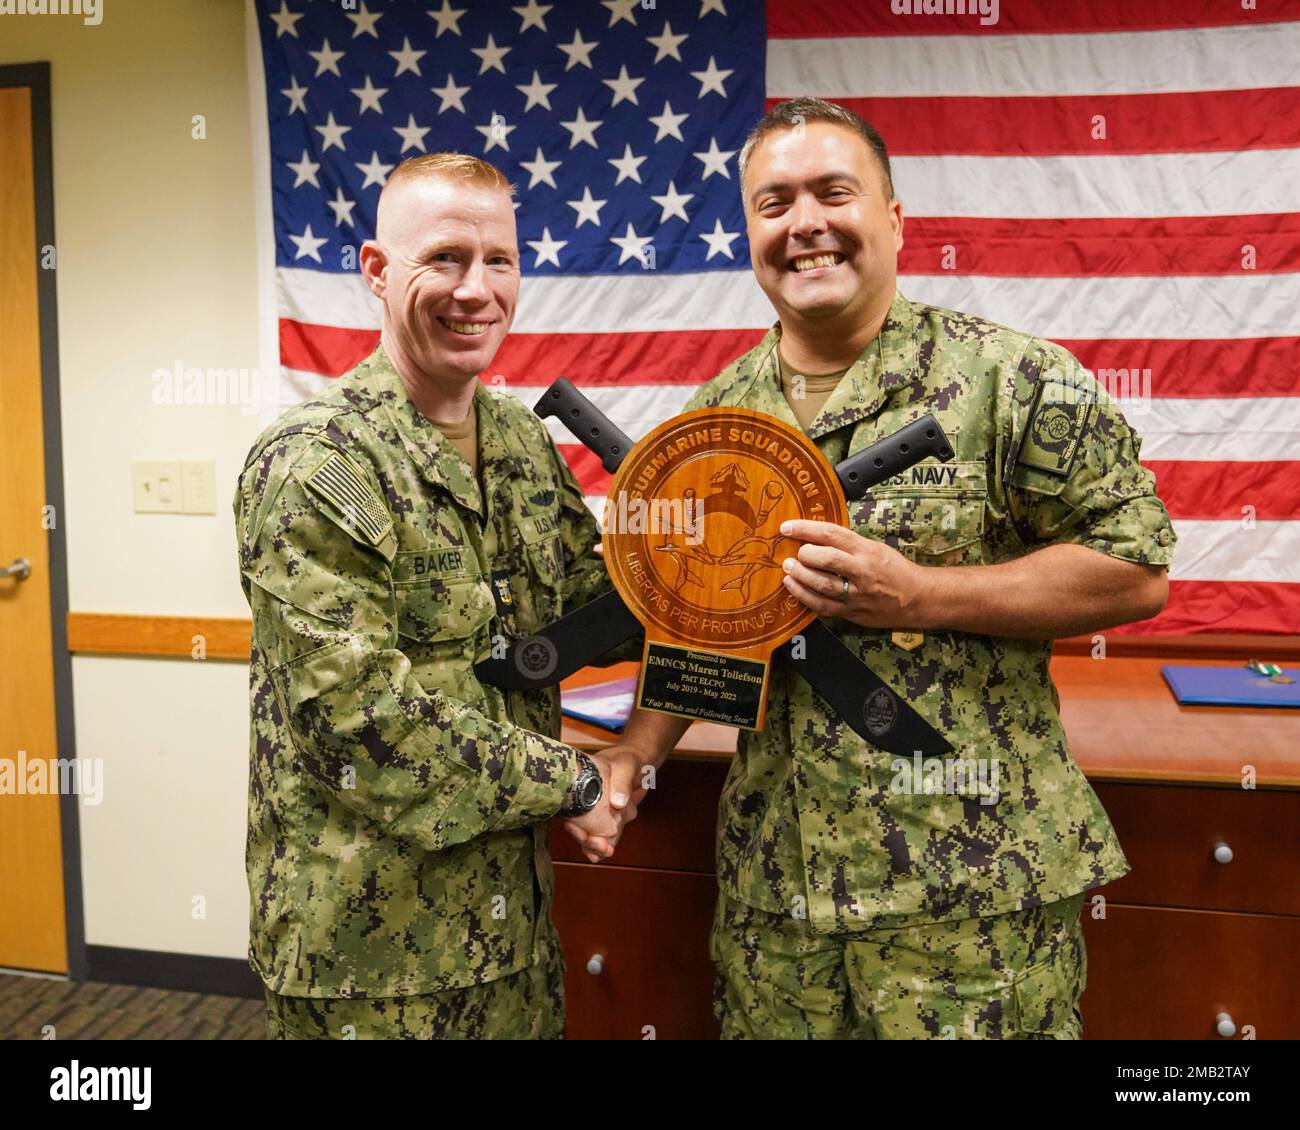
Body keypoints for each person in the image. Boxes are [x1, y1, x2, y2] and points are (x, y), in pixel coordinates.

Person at [605, 98, 1176, 1039]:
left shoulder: (1011, 380)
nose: (806, 225)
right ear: (750, 230)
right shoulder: (713, 421)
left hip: (966, 899)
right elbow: (706, 619)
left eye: (835, 192)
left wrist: (921, 593)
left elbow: (1135, 568)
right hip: (778, 907)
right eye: (774, 203)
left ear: (896, 217)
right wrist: (641, 747)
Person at [234, 153, 642, 1040]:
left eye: (500, 260)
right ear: (378, 273)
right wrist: (576, 782)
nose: (477, 289)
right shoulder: (317, 464)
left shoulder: (521, 445)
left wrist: (704, 564)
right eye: (446, 258)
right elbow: (365, 725)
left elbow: (591, 609)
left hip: (512, 933)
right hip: (372, 961)